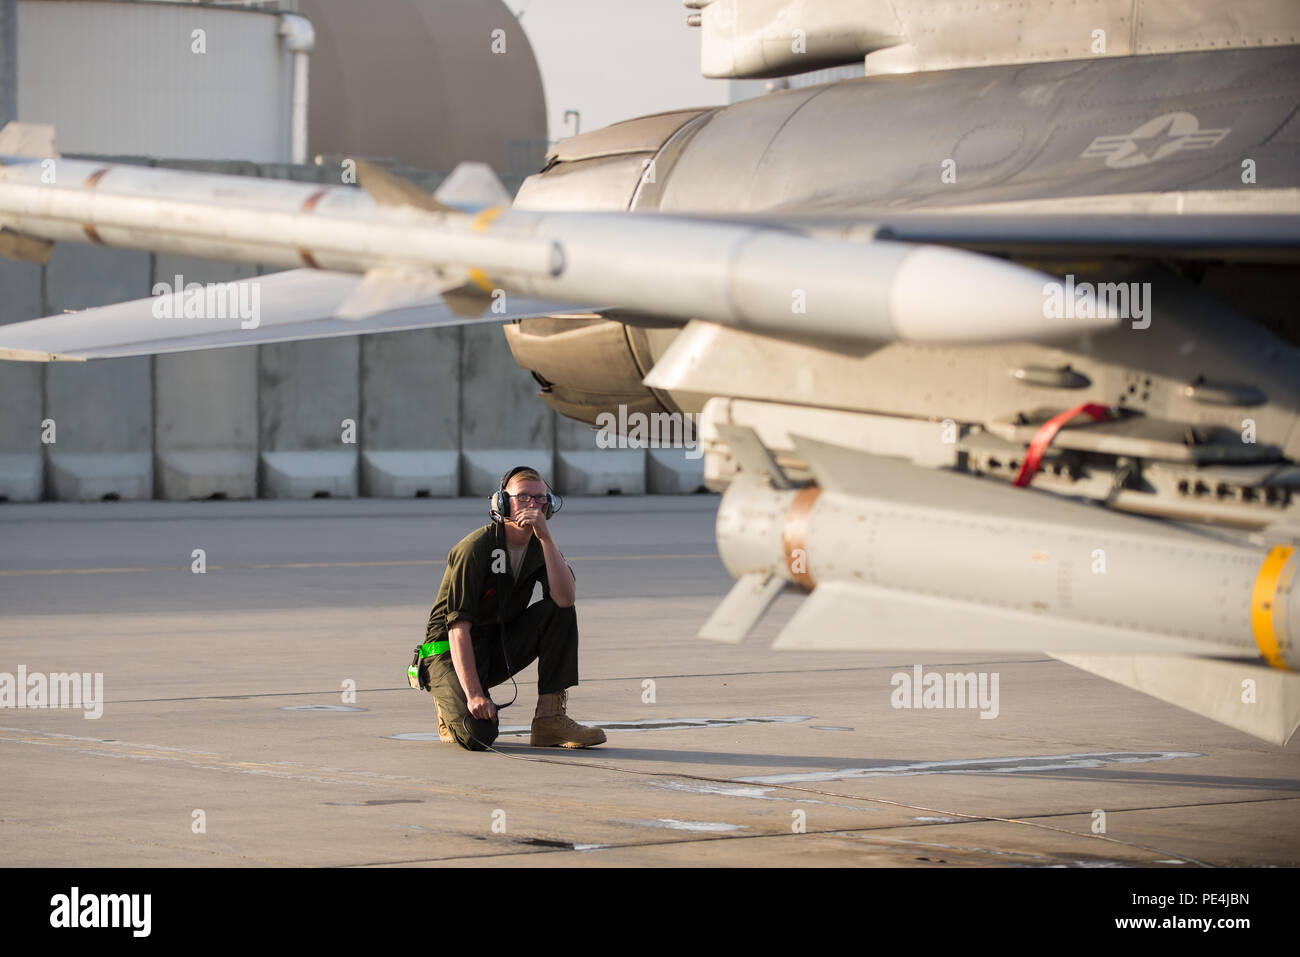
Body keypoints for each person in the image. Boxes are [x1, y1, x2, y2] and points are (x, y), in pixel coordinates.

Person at [417, 466, 606, 751]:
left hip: (496, 646)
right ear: (502, 503)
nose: (533, 505)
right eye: (523, 497)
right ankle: (449, 704)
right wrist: (475, 694)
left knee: (558, 611)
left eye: (541, 499)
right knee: (479, 735)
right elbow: (458, 629)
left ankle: (550, 720)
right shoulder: (475, 548)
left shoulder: (541, 547)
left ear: (550, 506)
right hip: (448, 653)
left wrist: (546, 539)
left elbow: (565, 599)